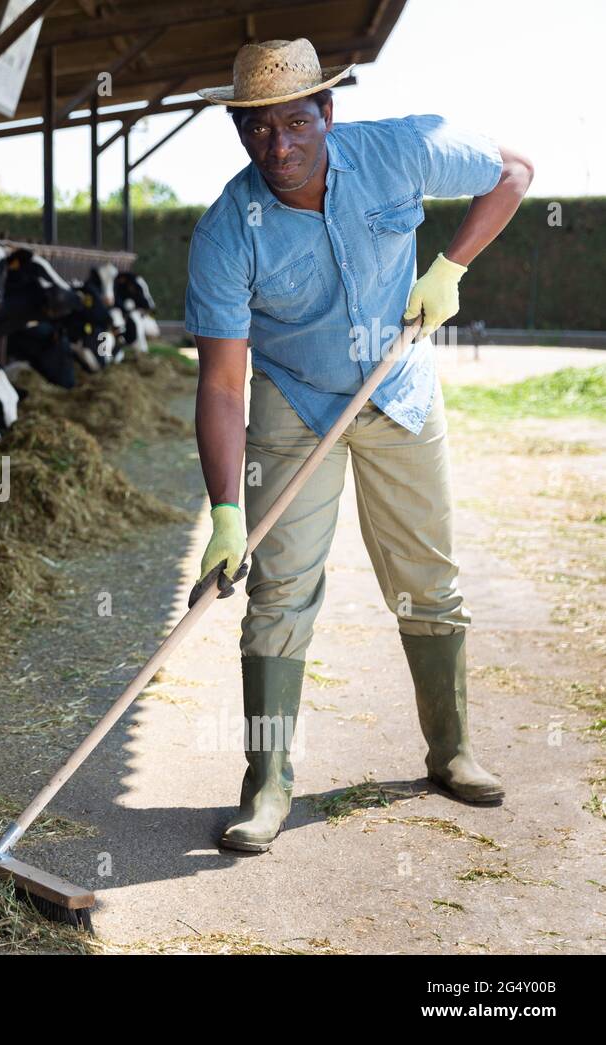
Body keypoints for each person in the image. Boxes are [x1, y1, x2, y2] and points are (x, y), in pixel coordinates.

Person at [184, 38, 534, 852]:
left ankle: (452, 751)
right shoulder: (226, 231)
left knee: (428, 578)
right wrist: (227, 511)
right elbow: (223, 386)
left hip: (398, 390)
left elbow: (513, 172)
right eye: (259, 130)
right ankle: (267, 784)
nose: (280, 146)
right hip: (293, 404)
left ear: (327, 112)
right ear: (240, 132)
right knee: (279, 595)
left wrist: (450, 265)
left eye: (296, 122)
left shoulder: (396, 151)